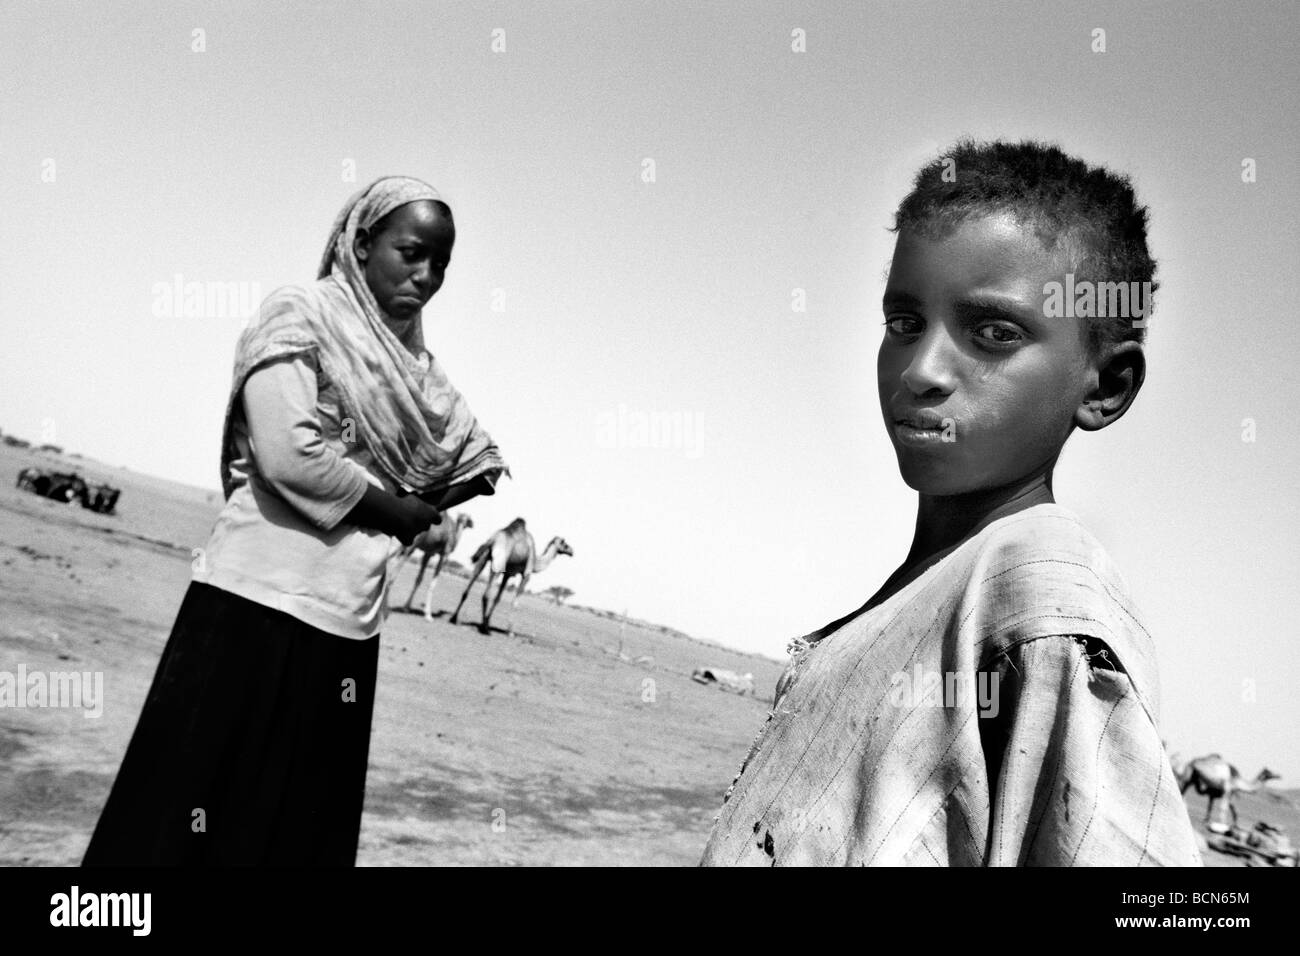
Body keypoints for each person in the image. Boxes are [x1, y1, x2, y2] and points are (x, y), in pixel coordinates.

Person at [700, 140, 1202, 866]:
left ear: (1104, 387)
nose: (922, 370)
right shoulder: (944, 586)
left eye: (994, 333)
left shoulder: (1037, 602)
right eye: (904, 324)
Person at [83, 176, 507, 866]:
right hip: (249, 605)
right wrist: (394, 509)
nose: (426, 277)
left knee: (290, 836)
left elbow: (475, 459)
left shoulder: (421, 379)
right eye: (411, 253)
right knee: (173, 826)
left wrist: (417, 497)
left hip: (347, 625)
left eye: (442, 265)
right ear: (363, 243)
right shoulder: (298, 314)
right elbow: (289, 455)